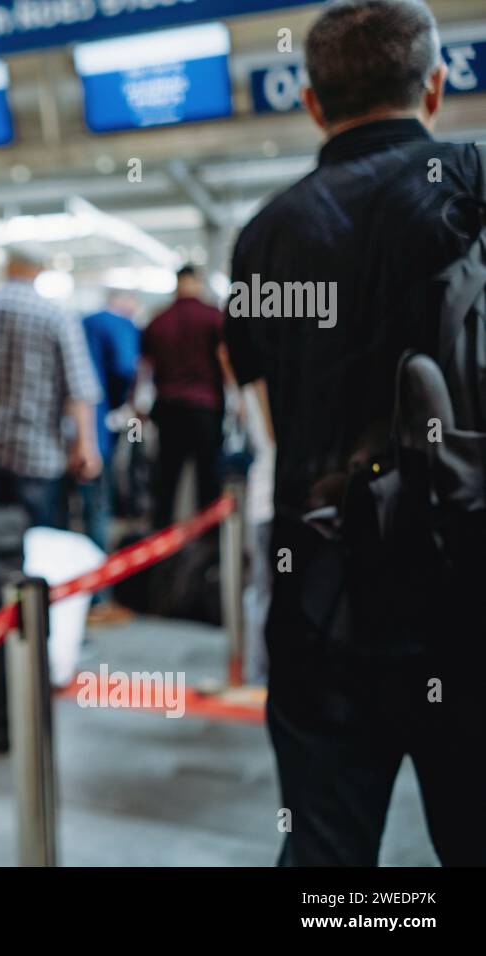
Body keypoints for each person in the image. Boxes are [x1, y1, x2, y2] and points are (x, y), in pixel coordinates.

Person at [222, 0, 486, 865]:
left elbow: (261, 404)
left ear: (312, 103)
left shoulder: (266, 236)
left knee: (328, 862)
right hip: (465, 584)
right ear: (437, 86)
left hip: (322, 589)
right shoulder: (476, 183)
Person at [0, 242, 102, 527]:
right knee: (38, 544)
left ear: (8, 266)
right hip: (39, 456)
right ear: (38, 270)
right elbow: (79, 389)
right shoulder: (56, 315)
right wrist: (85, 446)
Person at [140, 265, 233, 529]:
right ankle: (208, 545)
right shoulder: (212, 317)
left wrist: (139, 407)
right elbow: (224, 357)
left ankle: (160, 542)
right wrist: (238, 400)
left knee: (167, 477)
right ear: (197, 282)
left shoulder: (158, 321)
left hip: (167, 408)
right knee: (208, 477)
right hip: (205, 408)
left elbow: (145, 368)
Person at [75, 291, 141, 625]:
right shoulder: (119, 326)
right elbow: (125, 367)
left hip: (55, 440)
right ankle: (97, 599)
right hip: (94, 435)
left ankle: (66, 601)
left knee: (59, 522)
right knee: (97, 515)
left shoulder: (78, 321)